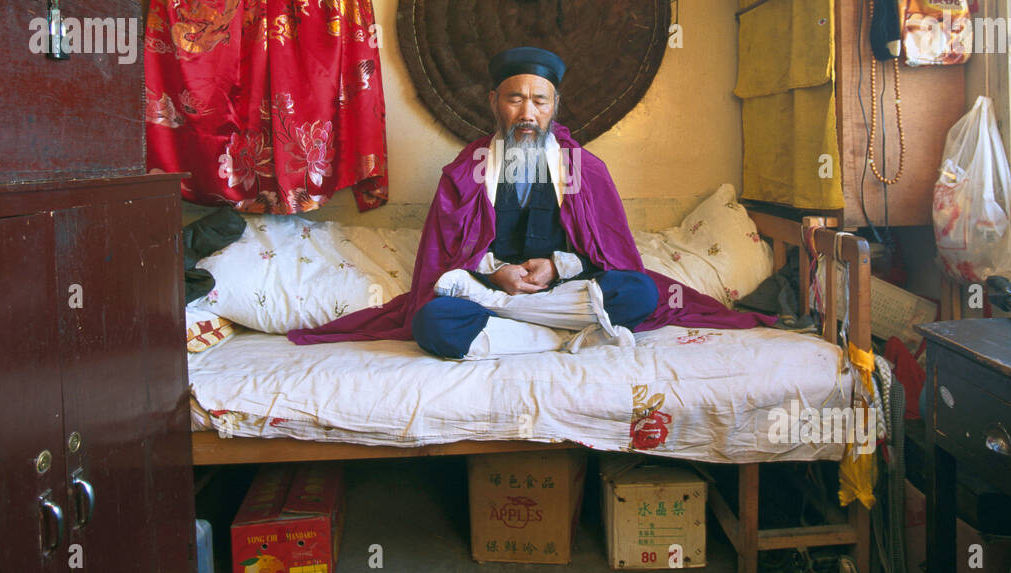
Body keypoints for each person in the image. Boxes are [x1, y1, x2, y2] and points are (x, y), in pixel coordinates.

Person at [287, 46, 774, 358]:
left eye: (539, 100)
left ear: (554, 106)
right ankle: (561, 335)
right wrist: (495, 275)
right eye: (514, 98)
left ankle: (527, 332)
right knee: (431, 322)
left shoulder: (586, 170)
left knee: (640, 293)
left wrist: (555, 268)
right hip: (493, 294)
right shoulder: (464, 173)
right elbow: (445, 259)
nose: (527, 112)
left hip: (564, 291)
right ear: (494, 102)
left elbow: (608, 256)